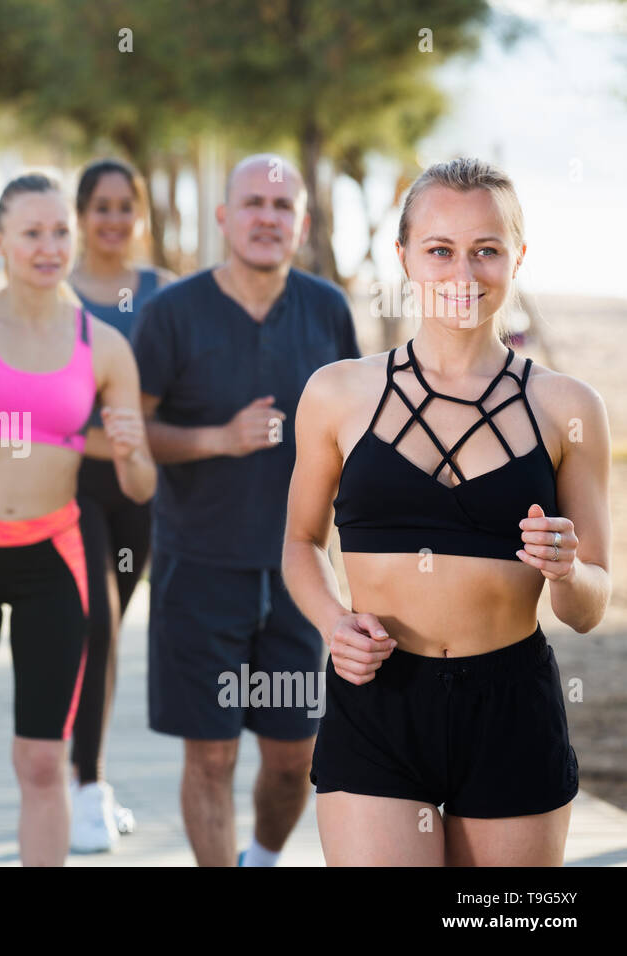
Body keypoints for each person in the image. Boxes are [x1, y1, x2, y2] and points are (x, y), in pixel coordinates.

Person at [284, 157, 611, 866]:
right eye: (440, 249)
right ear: (403, 257)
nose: (464, 271)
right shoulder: (338, 393)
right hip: (376, 699)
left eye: (486, 249)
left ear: (517, 256)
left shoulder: (569, 407)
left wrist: (564, 569)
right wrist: (335, 623)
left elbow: (591, 603)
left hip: (511, 708)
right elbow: (301, 543)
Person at [130, 153, 360, 867]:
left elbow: (356, 431)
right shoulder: (172, 313)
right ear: (225, 218)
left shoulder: (327, 309)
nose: (267, 217)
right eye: (253, 203)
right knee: (213, 756)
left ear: (303, 223)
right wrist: (218, 439)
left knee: (295, 756)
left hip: (300, 573)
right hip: (197, 570)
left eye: (282, 206)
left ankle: (259, 858)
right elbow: (134, 438)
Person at [0, 174, 156, 867]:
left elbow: (142, 485)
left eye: (61, 231)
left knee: (40, 760)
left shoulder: (106, 345)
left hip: (53, 561)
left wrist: (126, 448)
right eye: (31, 233)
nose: (49, 246)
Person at [67, 158, 177, 851]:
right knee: (96, 626)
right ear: (81, 215)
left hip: (144, 490)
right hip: (70, 483)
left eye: (123, 206)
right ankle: (87, 788)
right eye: (100, 206)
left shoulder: (163, 294)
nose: (113, 219)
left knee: (108, 634)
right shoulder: (59, 290)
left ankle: (84, 778)